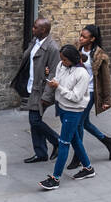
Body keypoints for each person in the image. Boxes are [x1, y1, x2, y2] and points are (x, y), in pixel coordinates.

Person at [38, 45, 95, 190]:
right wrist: (51, 77)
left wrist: (58, 87)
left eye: (64, 60)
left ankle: (55, 178)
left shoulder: (82, 74)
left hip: (73, 111)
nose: (61, 62)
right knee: (75, 139)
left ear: (72, 59)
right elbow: (57, 78)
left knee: (63, 143)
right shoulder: (61, 65)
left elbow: (76, 97)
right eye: (61, 59)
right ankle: (88, 169)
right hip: (62, 107)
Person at [68, 23, 111, 168]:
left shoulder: (100, 55)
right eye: (80, 35)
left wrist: (107, 99)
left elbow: (106, 79)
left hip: (89, 92)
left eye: (84, 37)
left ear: (92, 39)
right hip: (77, 90)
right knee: (85, 123)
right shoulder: (77, 48)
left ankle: (78, 156)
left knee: (77, 124)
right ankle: (107, 140)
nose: (80, 38)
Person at [14, 17, 60, 164]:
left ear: (44, 30)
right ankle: (40, 153)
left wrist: (46, 96)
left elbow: (54, 73)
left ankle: (57, 141)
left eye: (35, 28)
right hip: (31, 86)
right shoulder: (35, 41)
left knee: (34, 120)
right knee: (35, 121)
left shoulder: (52, 48)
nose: (32, 29)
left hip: (41, 90)